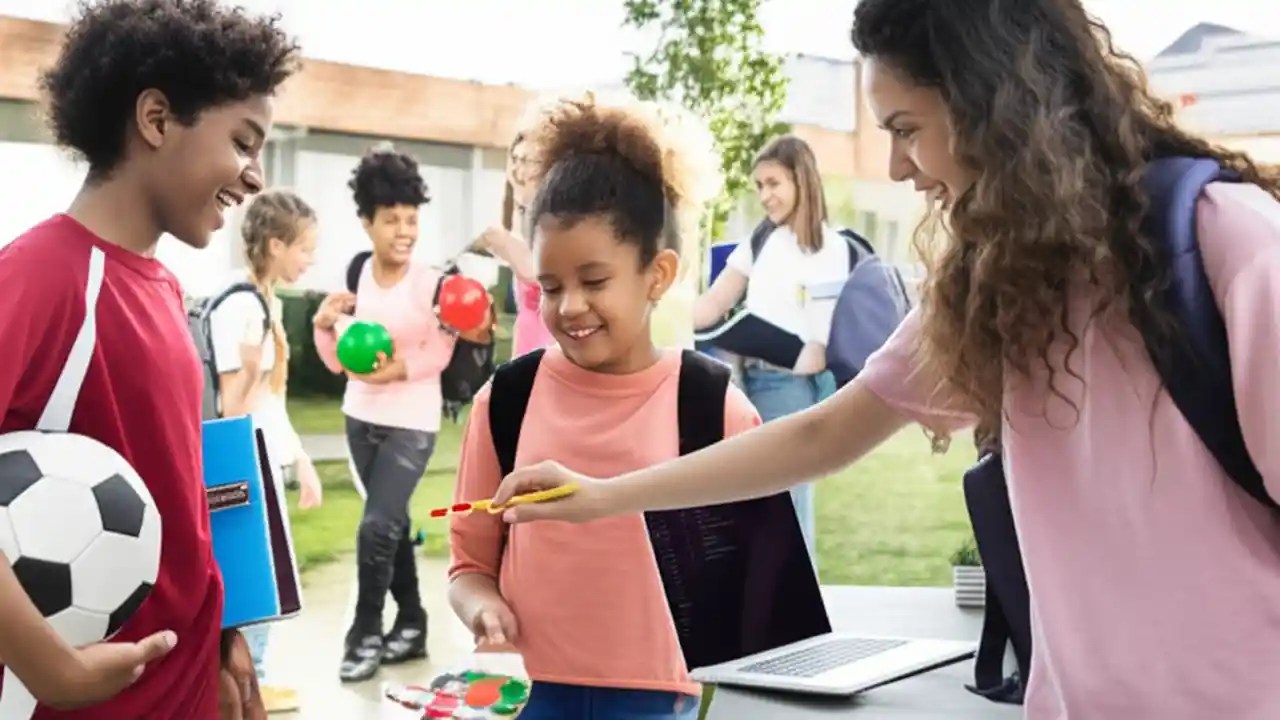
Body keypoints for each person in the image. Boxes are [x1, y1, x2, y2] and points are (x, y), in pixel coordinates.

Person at [490, 1, 1280, 719]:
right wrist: (602, 497)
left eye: (905, 128)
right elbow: (819, 437)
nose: (899, 167)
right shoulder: (990, 288)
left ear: (995, 103)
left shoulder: (1228, 248)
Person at [0, 0, 299, 717]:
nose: (254, 176)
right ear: (158, 119)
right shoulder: (42, 277)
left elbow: (191, 492)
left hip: (189, 689)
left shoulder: (168, 291)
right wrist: (53, 671)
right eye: (243, 141)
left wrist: (228, 642)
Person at [447, 96, 754, 720]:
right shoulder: (505, 400)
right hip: (527, 698)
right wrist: (482, 605)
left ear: (657, 274)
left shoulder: (713, 407)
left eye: (594, 281)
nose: (568, 308)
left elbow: (755, 588)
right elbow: (469, 563)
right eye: (550, 287)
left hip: (661, 702)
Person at [312, 147, 457, 683]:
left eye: (412, 219)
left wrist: (398, 371)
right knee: (390, 526)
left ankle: (365, 633)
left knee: (376, 525)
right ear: (366, 222)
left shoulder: (431, 282)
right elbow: (338, 365)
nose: (404, 231)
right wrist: (325, 327)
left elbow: (442, 353)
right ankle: (413, 624)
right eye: (391, 219)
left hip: (412, 421)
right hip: (359, 417)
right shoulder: (355, 275)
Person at [693, 134, 847, 562]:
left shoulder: (832, 249)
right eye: (759, 185)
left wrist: (794, 353)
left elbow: (822, 345)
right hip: (743, 385)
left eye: (773, 183)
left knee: (787, 503)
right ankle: (771, 611)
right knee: (753, 504)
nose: (765, 195)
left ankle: (798, 615)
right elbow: (712, 305)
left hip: (791, 390)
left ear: (801, 179)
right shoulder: (760, 240)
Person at [205, 188, 324, 713]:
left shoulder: (262, 299)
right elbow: (232, 408)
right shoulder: (241, 306)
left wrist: (299, 458)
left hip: (266, 457)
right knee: (251, 583)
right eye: (304, 248)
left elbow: (271, 401)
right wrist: (251, 367)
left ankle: (258, 680)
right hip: (243, 465)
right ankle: (246, 688)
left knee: (266, 579)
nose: (311, 259)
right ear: (275, 245)